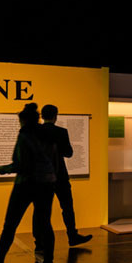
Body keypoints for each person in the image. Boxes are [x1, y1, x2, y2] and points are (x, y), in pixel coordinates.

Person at [0, 103, 59, 263]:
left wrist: (3, 169)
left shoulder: (25, 134)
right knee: (45, 224)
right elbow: (54, 160)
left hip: (26, 183)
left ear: (23, 120)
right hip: (47, 183)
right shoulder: (48, 133)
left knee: (10, 223)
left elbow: (21, 164)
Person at [41, 104, 92, 246]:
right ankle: (72, 235)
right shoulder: (61, 132)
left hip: (43, 177)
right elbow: (68, 153)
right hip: (60, 176)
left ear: (42, 116)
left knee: (44, 210)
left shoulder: (37, 132)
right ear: (55, 116)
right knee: (67, 207)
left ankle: (41, 241)